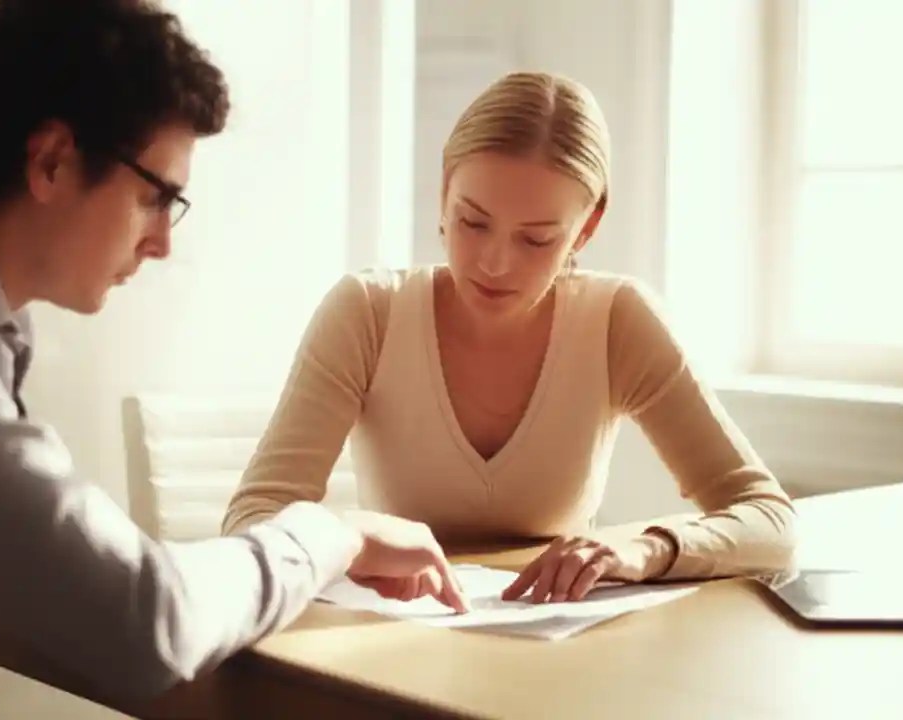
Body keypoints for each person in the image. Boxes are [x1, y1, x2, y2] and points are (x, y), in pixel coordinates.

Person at [0, 1, 466, 718]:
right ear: (51, 160)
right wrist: (333, 531)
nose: (162, 242)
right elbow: (145, 623)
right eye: (154, 197)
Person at [223, 71, 798, 605]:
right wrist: (347, 540)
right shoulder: (368, 312)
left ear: (587, 228)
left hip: (557, 651)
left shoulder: (618, 321)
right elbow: (254, 515)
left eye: (537, 240)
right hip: (390, 647)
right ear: (444, 193)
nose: (495, 263)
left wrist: (644, 550)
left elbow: (771, 522)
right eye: (473, 222)